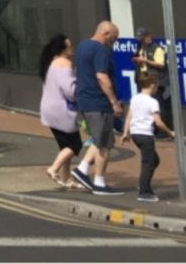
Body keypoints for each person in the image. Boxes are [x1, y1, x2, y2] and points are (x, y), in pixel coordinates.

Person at [69, 20, 126, 195]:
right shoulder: (101, 50)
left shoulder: (82, 46)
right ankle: (99, 183)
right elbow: (101, 76)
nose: (114, 42)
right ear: (105, 33)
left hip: (86, 100)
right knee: (105, 144)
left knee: (99, 139)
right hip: (99, 102)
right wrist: (114, 101)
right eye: (114, 38)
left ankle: (82, 170)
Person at [38, 33, 81, 189]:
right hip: (61, 110)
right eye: (70, 46)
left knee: (65, 146)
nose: (73, 49)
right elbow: (69, 90)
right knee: (76, 145)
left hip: (49, 110)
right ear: (63, 49)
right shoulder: (64, 63)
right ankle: (53, 168)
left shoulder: (51, 62)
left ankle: (66, 179)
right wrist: (80, 89)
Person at [124, 72, 174, 203]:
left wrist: (125, 133)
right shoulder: (153, 102)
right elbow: (158, 122)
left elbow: (129, 116)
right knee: (148, 163)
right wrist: (170, 132)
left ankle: (144, 185)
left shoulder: (135, 98)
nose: (157, 87)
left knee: (154, 160)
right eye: (157, 85)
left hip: (135, 134)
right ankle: (144, 191)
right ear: (152, 85)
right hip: (146, 135)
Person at [132, 26, 172, 134]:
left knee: (158, 104)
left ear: (148, 36)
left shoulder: (157, 48)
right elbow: (136, 57)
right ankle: (151, 129)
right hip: (144, 78)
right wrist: (137, 60)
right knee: (145, 104)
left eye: (142, 37)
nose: (140, 40)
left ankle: (163, 131)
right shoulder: (140, 46)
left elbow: (160, 64)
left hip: (155, 81)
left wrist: (145, 60)